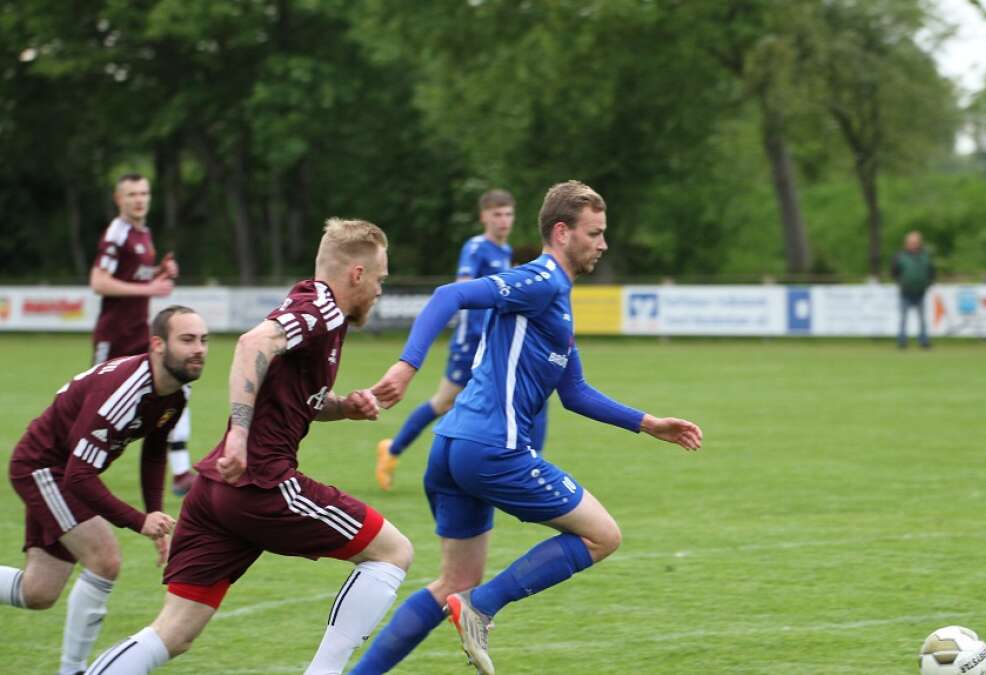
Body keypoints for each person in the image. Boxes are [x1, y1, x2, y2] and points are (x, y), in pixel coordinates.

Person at [353, 181, 703, 675]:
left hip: (452, 445)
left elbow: (575, 392)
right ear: (562, 232)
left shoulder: (555, 300)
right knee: (602, 536)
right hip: (493, 449)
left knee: (452, 582)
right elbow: (448, 295)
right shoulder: (540, 280)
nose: (603, 244)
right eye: (595, 233)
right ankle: (483, 606)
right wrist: (407, 365)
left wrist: (648, 424)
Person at [84, 218, 414, 675]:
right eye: (379, 278)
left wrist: (344, 407)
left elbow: (296, 397)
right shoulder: (321, 308)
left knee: (173, 633)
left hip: (217, 490)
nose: (380, 289)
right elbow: (252, 344)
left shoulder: (317, 311)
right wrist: (239, 432)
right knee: (394, 553)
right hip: (260, 482)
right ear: (357, 274)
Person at [1, 306, 207, 675]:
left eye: (203, 340)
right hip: (45, 468)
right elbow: (78, 477)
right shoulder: (126, 392)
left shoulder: (177, 393)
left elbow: (155, 452)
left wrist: (155, 517)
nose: (200, 349)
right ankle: (74, 670)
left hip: (65, 470)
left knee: (38, 592)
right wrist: (137, 521)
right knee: (105, 559)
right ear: (158, 345)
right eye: (187, 339)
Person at [375, 189, 548, 491]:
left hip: (493, 344)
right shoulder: (476, 248)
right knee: (443, 403)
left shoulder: (507, 254)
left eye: (508, 214)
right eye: (497, 214)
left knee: (529, 396)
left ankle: (528, 465)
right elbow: (463, 288)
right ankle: (391, 452)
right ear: (483, 217)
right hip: (470, 344)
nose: (503, 221)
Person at [90, 173, 196, 495]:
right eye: (132, 194)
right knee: (96, 407)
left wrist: (159, 272)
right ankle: (67, 463)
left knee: (178, 388)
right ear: (118, 199)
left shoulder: (143, 234)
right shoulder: (116, 234)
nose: (139, 199)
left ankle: (180, 473)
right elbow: (99, 281)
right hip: (114, 337)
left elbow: (131, 276)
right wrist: (151, 286)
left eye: (144, 193)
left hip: (141, 334)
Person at [891, 230, 936, 349]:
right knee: (903, 319)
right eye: (911, 242)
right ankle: (902, 342)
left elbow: (931, 271)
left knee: (922, 319)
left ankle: (924, 341)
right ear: (906, 243)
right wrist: (901, 283)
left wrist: (928, 283)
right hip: (905, 292)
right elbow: (894, 272)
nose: (913, 244)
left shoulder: (925, 256)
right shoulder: (900, 256)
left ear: (919, 243)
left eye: (915, 242)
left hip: (921, 292)